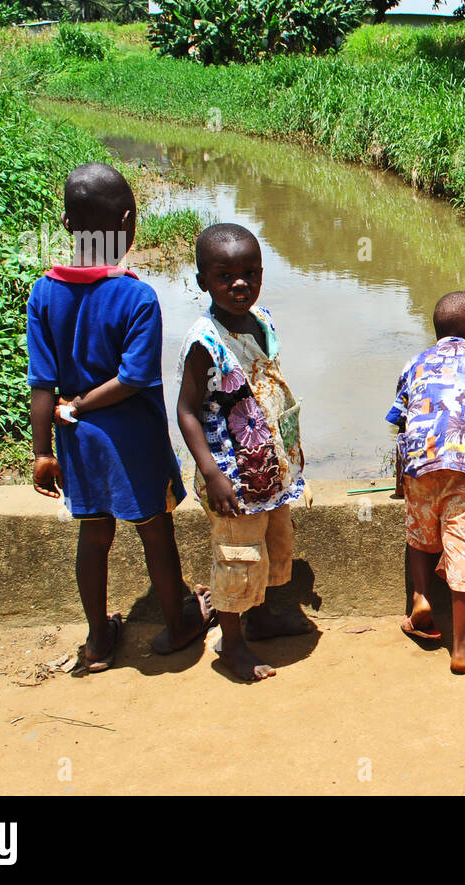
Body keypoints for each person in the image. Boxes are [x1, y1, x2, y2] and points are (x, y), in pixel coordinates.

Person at [28, 162, 215, 673]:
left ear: (67, 224)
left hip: (78, 442)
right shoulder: (136, 296)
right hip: (132, 440)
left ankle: (96, 641)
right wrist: (86, 403)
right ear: (130, 221)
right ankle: (179, 625)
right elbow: (133, 378)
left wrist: (43, 451)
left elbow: (42, 383)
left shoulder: (44, 293)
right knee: (156, 531)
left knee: (94, 536)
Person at [176, 223, 315, 682]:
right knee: (237, 558)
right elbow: (187, 412)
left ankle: (261, 618)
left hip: (270, 474)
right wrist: (212, 473)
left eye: (250, 273)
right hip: (231, 478)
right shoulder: (205, 342)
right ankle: (230, 644)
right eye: (225, 275)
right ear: (203, 282)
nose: (240, 284)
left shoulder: (263, 321)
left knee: (275, 549)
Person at [388, 291, 465, 674]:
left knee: (421, 533)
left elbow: (401, 422)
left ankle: (421, 599)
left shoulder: (414, 362)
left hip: (418, 463)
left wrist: (401, 481)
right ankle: (463, 648)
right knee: (464, 546)